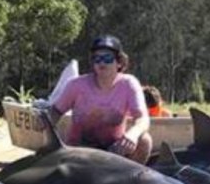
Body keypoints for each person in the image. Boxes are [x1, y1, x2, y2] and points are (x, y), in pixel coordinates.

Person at [48, 35, 152, 164]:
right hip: (79, 148)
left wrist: (133, 134)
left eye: (107, 58)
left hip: (114, 150)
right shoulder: (76, 85)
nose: (102, 63)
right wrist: (45, 128)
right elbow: (55, 112)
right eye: (97, 59)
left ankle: (128, 182)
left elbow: (142, 119)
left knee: (145, 140)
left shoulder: (129, 84)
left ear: (119, 62)